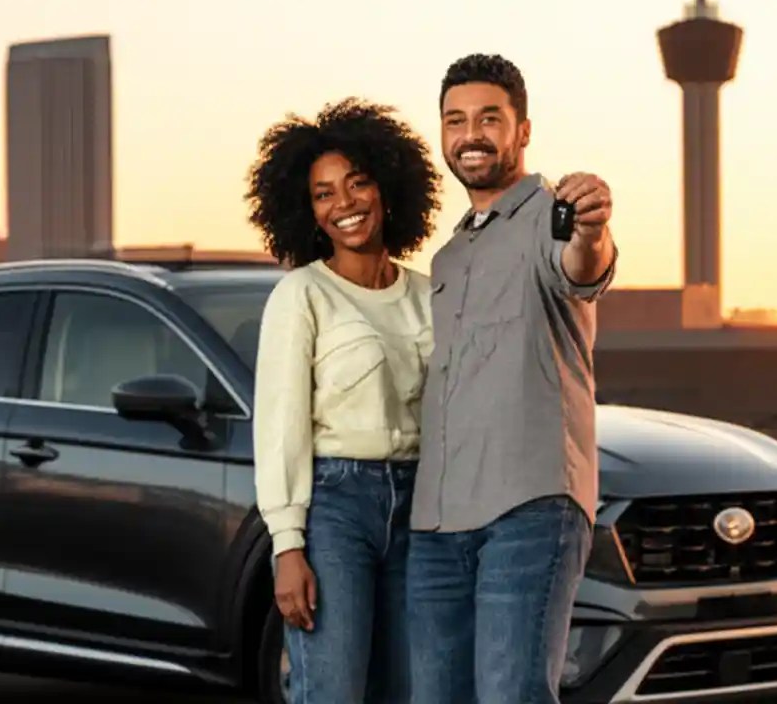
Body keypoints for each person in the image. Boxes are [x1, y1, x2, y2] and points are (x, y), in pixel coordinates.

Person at [407, 53, 620, 703]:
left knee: (512, 695)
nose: (470, 134)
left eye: (489, 118)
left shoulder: (550, 217)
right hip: (437, 524)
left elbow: (583, 267)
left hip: (528, 509)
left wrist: (593, 225)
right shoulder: (448, 255)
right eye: (455, 120)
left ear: (523, 131)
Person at [246, 97, 441, 703]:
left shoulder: (430, 293)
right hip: (336, 508)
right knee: (331, 690)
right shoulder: (302, 295)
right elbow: (280, 426)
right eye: (323, 194)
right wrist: (287, 547)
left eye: (356, 184)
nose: (345, 205)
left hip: (423, 510)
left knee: (407, 692)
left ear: (387, 187)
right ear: (307, 212)